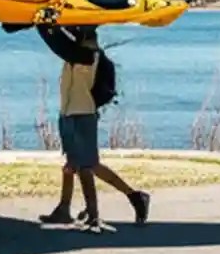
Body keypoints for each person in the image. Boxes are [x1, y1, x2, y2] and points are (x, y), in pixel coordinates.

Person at [34, 24, 150, 232]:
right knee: (72, 165)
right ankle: (64, 209)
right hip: (68, 114)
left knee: (87, 166)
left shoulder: (87, 55)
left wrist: (41, 23)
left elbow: (56, 42)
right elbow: (61, 40)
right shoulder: (75, 53)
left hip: (82, 115)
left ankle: (97, 214)